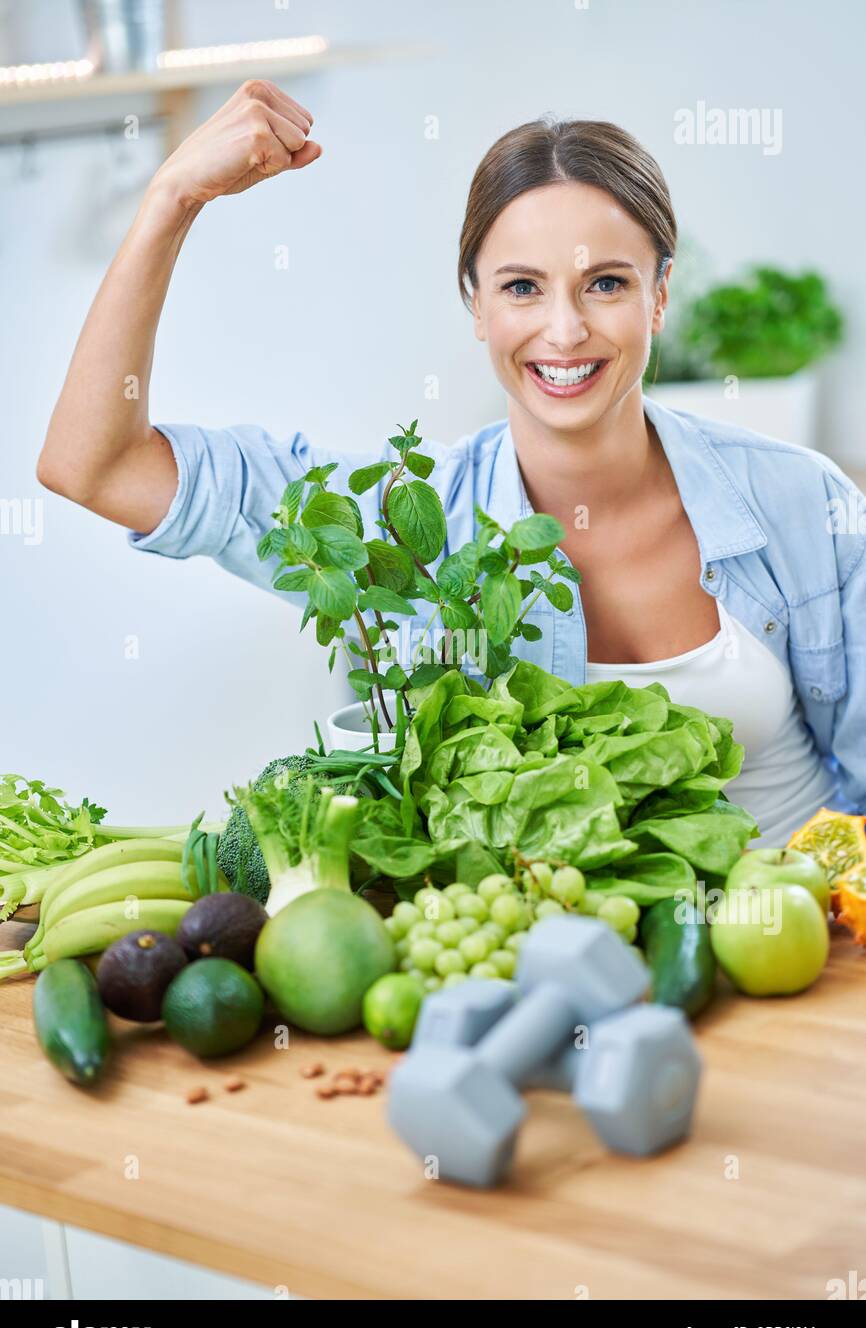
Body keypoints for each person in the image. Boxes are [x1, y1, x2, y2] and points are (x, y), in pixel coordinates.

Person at [37, 80, 866, 845]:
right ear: (474, 301)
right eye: (521, 288)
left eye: (606, 283)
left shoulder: (799, 502)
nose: (566, 330)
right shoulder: (402, 532)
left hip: (798, 963)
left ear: (660, 293)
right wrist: (171, 200)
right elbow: (94, 466)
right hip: (537, 979)